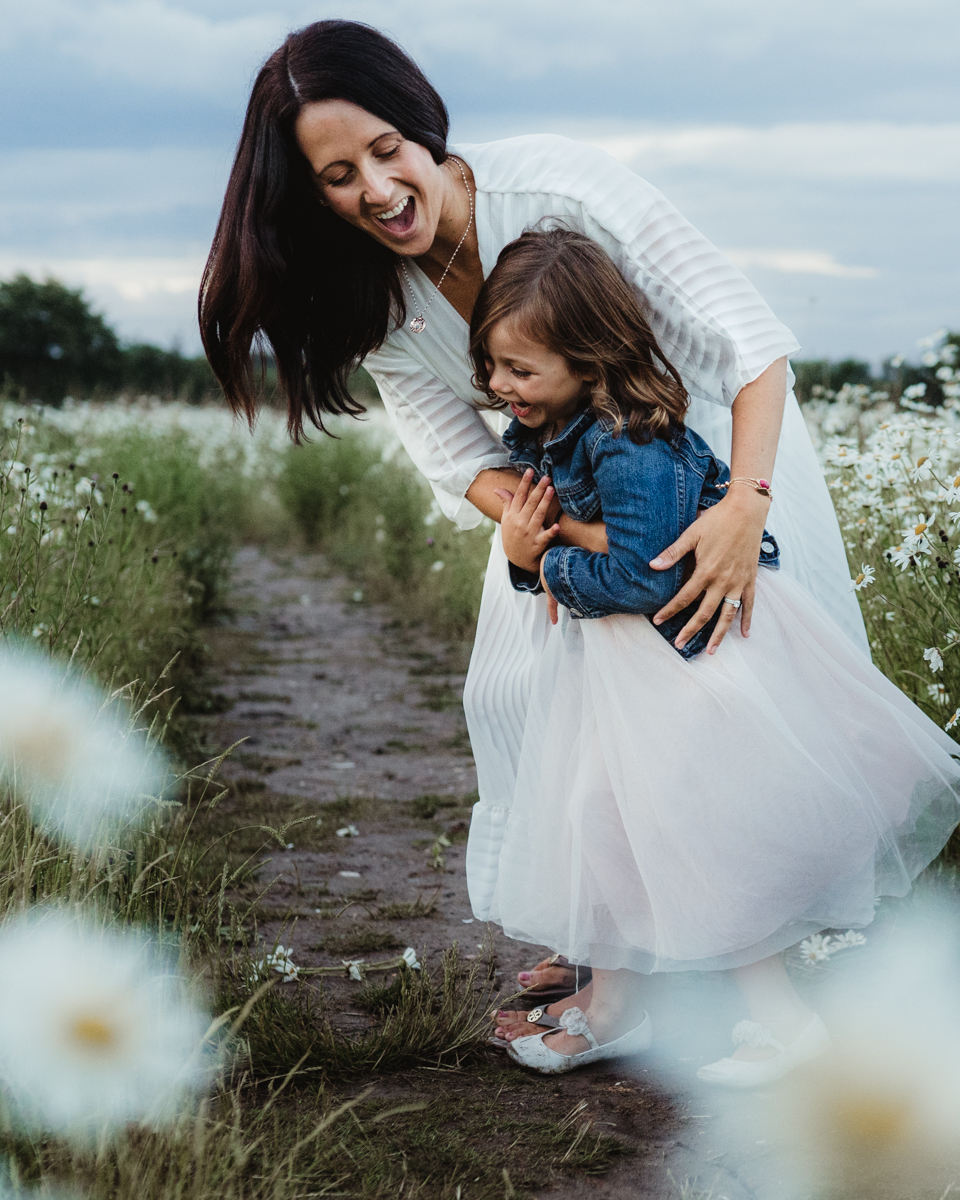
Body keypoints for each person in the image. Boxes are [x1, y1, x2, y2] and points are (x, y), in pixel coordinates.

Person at [199, 20, 869, 999]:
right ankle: (597, 922)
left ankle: (761, 930)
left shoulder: (562, 192)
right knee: (524, 697)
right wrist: (548, 537)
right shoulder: (367, 297)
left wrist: (741, 509)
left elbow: (751, 343)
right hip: (557, 490)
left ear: (421, 122)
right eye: (339, 176)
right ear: (309, 193)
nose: (378, 190)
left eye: (386, 150)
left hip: (720, 451)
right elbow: (455, 451)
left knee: (730, 700)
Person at [469, 227, 960, 1082]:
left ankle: (786, 1027)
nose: (497, 386)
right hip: (617, 676)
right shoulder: (556, 424)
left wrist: (538, 557)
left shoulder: (630, 441)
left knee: (701, 838)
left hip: (682, 665)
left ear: (589, 362)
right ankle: (615, 1010)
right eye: (493, 365)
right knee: (602, 825)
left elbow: (647, 574)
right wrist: (529, 561)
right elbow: (561, 565)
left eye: (519, 370)